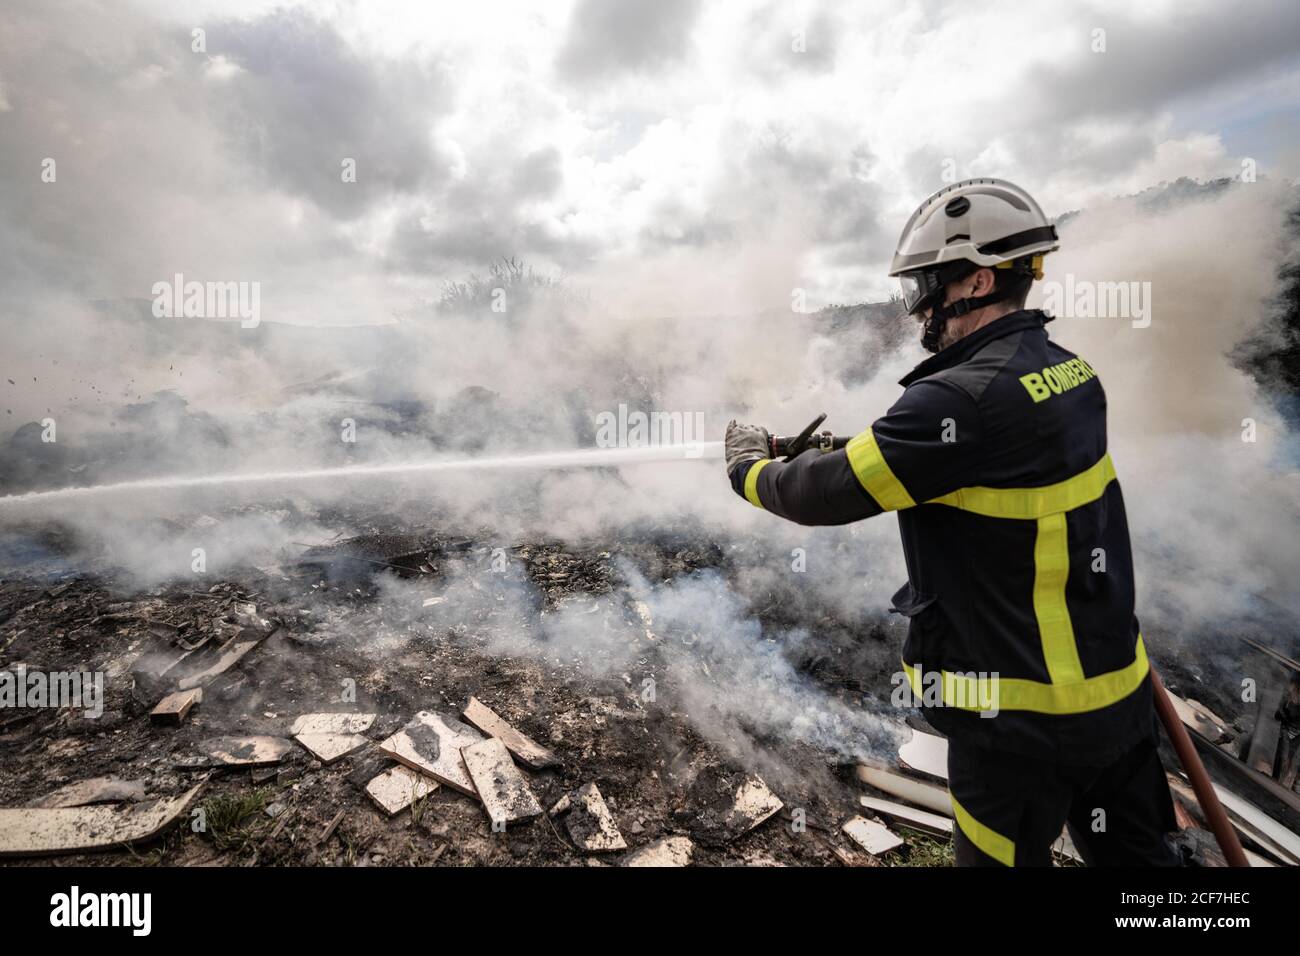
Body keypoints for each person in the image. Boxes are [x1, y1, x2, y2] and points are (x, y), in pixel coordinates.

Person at [724, 178, 1179, 866]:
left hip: (1017, 727)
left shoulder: (958, 398)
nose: (919, 307)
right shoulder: (1068, 372)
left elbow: (828, 497)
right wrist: (833, 445)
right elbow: (960, 454)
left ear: (979, 279)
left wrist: (749, 471)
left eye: (928, 284)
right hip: (1117, 696)